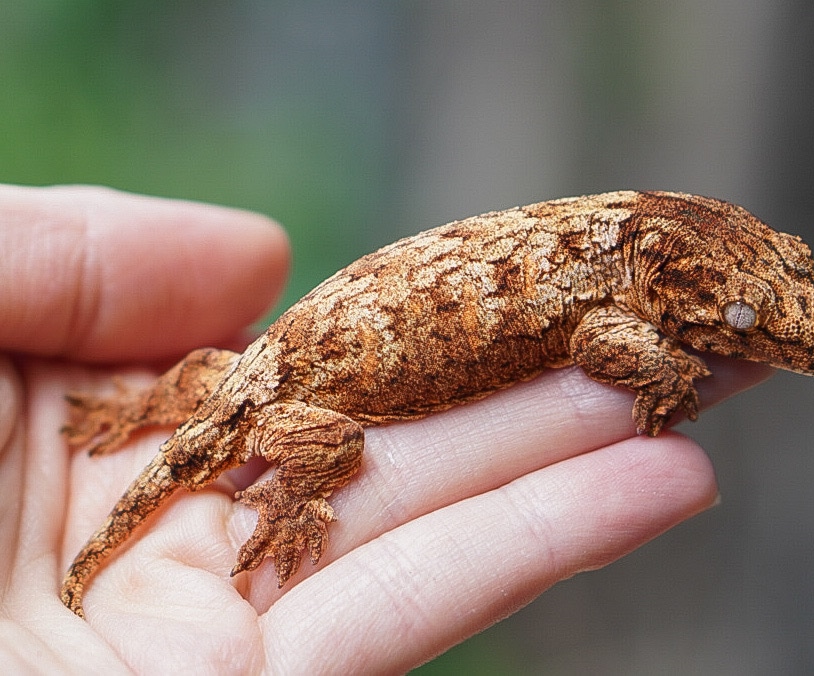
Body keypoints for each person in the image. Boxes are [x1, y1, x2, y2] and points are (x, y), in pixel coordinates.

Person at [0, 184, 770, 672]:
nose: (762, 338)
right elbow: (606, 345)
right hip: (287, 399)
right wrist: (663, 373)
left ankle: (140, 410)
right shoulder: (618, 275)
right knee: (334, 445)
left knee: (213, 375)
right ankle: (146, 469)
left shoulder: (620, 234)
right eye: (743, 320)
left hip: (257, 372)